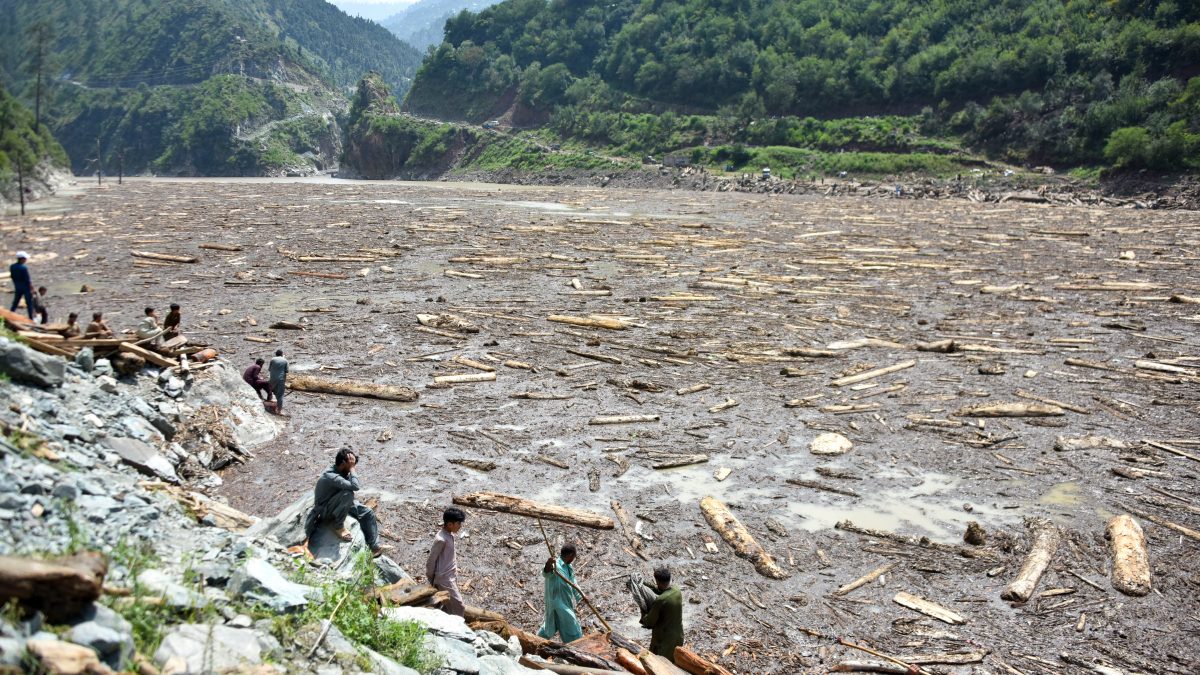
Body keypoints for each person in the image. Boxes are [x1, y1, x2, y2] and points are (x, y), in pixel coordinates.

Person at [301, 448, 391, 558]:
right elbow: (355, 486)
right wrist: (352, 469)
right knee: (348, 494)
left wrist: (351, 467)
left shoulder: (341, 470)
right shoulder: (331, 476)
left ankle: (373, 546)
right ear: (343, 463)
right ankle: (338, 526)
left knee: (368, 513)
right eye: (350, 466)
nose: (351, 470)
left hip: (338, 503)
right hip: (325, 509)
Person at [628, 566, 684, 663]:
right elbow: (658, 589)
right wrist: (643, 583)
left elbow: (650, 621)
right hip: (677, 635)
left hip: (663, 639)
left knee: (658, 663)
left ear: (657, 581)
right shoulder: (676, 590)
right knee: (673, 662)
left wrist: (643, 612)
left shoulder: (660, 601)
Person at [538, 543, 583, 643]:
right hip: (558, 603)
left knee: (549, 627)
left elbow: (573, 582)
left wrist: (581, 596)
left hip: (565, 601)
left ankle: (535, 641)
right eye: (574, 556)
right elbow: (546, 573)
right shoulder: (555, 565)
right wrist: (549, 563)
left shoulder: (568, 567)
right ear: (571, 555)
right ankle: (577, 645)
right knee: (572, 625)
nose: (574, 559)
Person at [426, 507, 466, 617]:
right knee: (459, 606)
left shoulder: (449, 534)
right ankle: (458, 629)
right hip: (444, 578)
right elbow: (431, 561)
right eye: (458, 523)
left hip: (450, 575)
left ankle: (442, 623)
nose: (460, 526)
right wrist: (431, 578)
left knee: (447, 605)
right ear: (449, 524)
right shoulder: (441, 539)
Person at [9, 251, 34, 320]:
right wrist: (32, 288)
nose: (26, 260)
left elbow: (12, 276)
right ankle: (31, 318)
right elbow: (27, 280)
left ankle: (10, 315)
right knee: (29, 304)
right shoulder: (23, 268)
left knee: (15, 303)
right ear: (22, 259)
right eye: (25, 258)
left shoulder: (12, 267)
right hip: (25, 288)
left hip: (17, 287)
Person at [268, 349, 289, 414]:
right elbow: (287, 371)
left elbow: (269, 369)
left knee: (272, 392)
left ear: (276, 354)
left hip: (272, 379)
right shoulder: (285, 360)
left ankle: (270, 406)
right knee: (280, 395)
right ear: (282, 354)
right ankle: (279, 410)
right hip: (280, 379)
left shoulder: (272, 359)